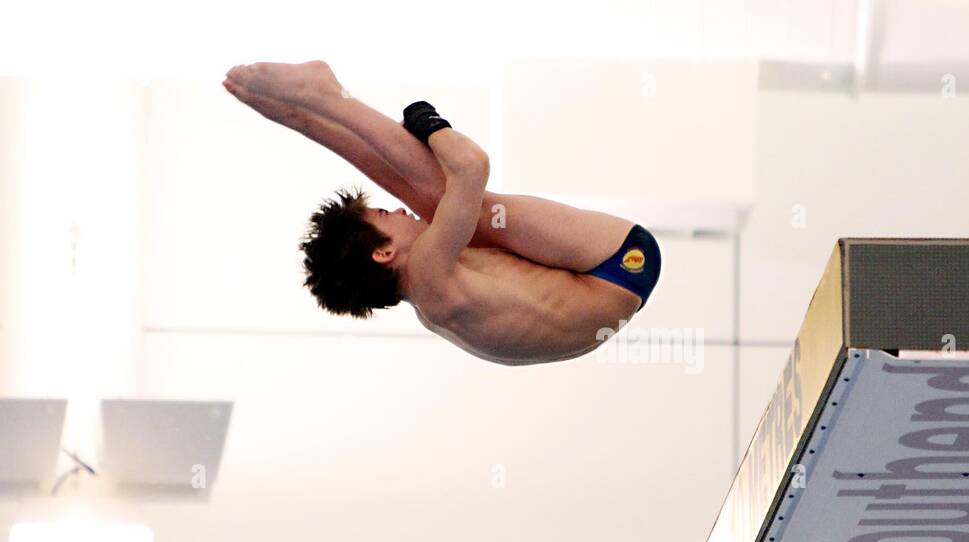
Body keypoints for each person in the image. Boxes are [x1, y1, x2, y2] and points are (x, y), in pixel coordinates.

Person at [222, 60, 661, 366]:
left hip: (614, 284)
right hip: (616, 263)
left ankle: (305, 111)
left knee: (442, 205)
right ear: (383, 252)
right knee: (460, 202)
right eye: (383, 215)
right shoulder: (431, 278)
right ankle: (326, 100)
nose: (393, 208)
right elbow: (471, 165)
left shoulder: (429, 295)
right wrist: (428, 123)